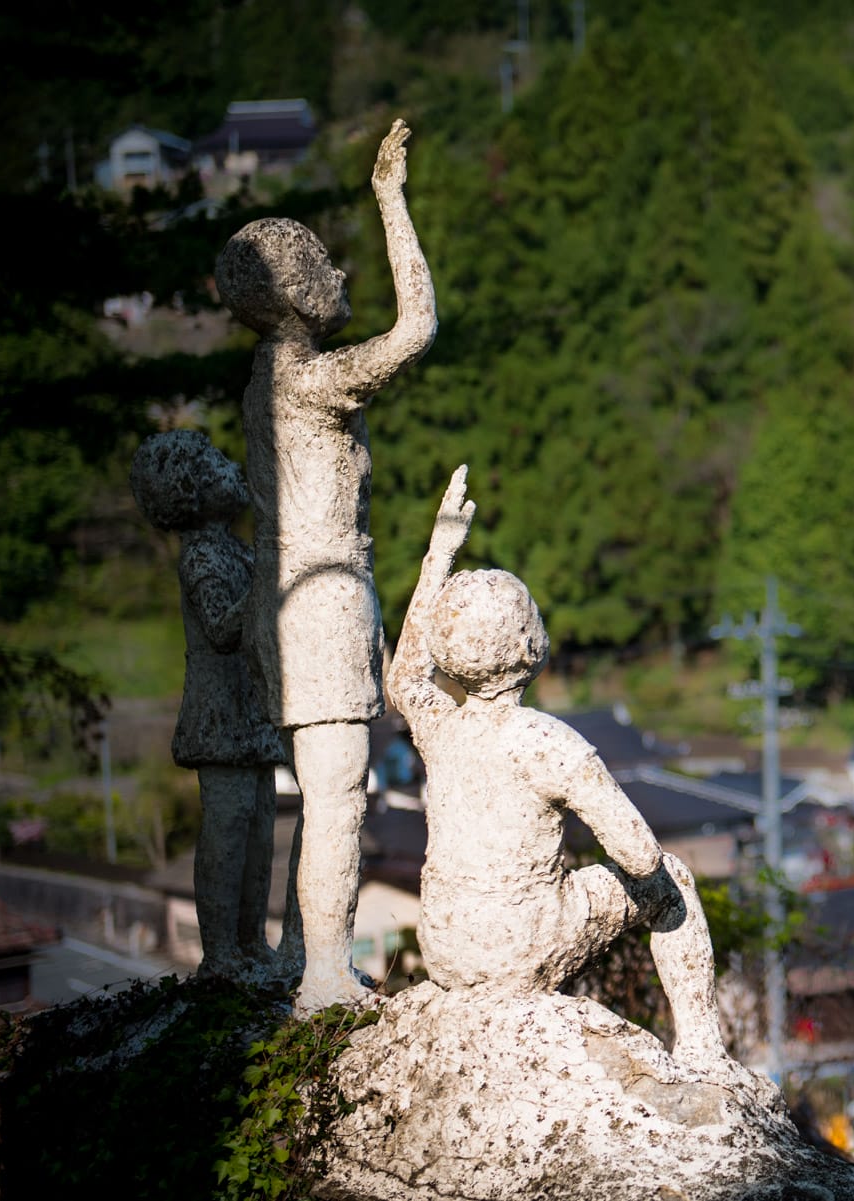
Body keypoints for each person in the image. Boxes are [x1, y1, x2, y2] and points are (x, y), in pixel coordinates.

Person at [389, 468, 740, 1077]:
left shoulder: (439, 727)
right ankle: (703, 1050)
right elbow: (637, 853)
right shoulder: (547, 741)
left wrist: (437, 556)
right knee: (673, 882)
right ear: (531, 644)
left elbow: (405, 678)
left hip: (445, 947)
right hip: (522, 945)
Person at [214, 119, 436, 1014]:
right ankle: (322, 975)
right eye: (324, 264)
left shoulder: (265, 379)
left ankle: (312, 955)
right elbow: (414, 328)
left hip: (300, 594)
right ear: (292, 288)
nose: (340, 276)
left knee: (325, 791)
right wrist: (391, 203)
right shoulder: (303, 378)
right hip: (320, 596)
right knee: (339, 793)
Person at [130, 430, 297, 983]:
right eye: (218, 464)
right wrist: (269, 583)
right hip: (220, 712)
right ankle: (222, 951)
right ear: (192, 490)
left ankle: (251, 941)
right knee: (228, 827)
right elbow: (224, 629)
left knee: (259, 830)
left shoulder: (233, 550)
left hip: (247, 710)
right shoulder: (202, 556)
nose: (233, 469)